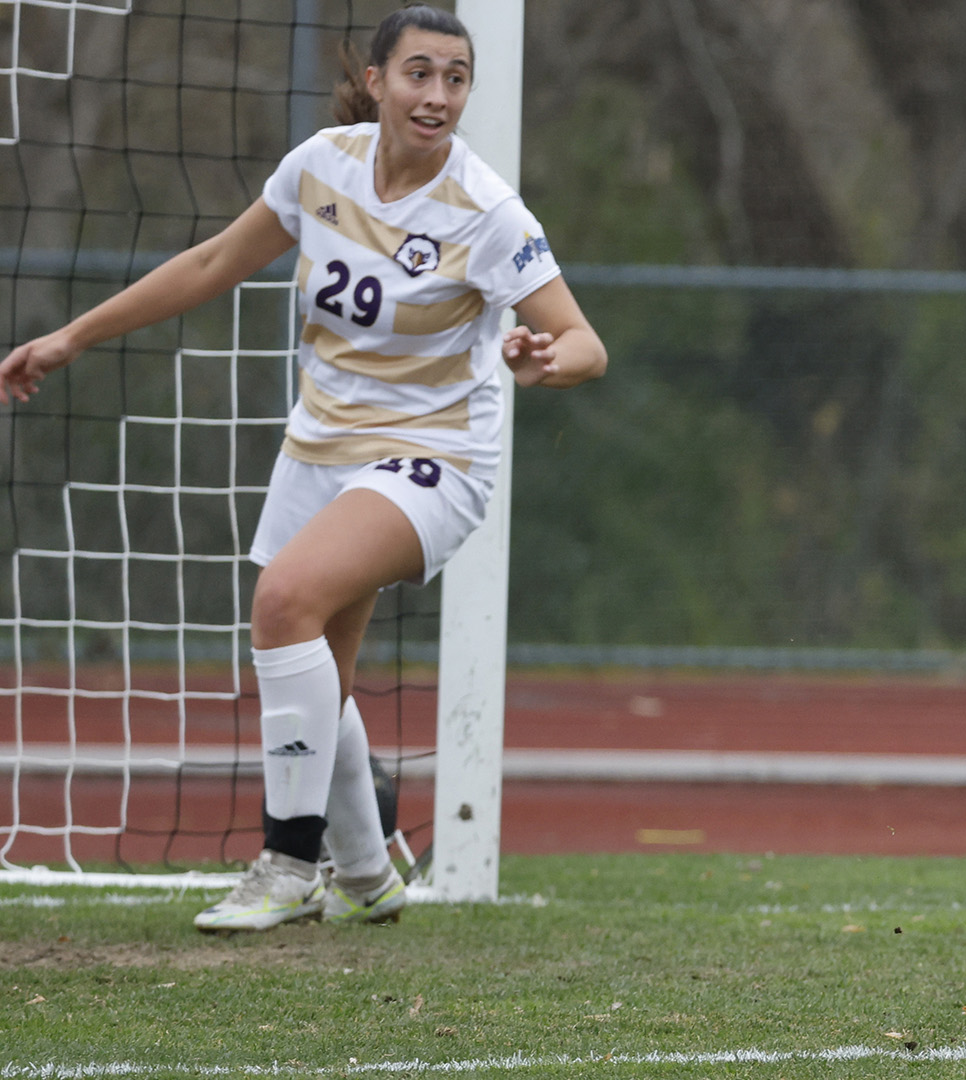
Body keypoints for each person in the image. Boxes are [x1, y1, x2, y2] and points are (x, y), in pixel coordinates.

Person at [0, 5, 606, 931]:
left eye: (455, 78)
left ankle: (289, 865)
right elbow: (211, 261)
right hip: (318, 447)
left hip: (433, 458)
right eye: (419, 73)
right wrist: (72, 337)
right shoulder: (323, 164)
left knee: (282, 602)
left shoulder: (486, 211)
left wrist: (544, 359)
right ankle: (367, 872)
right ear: (375, 80)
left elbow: (586, 344)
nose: (438, 95)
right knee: (320, 668)